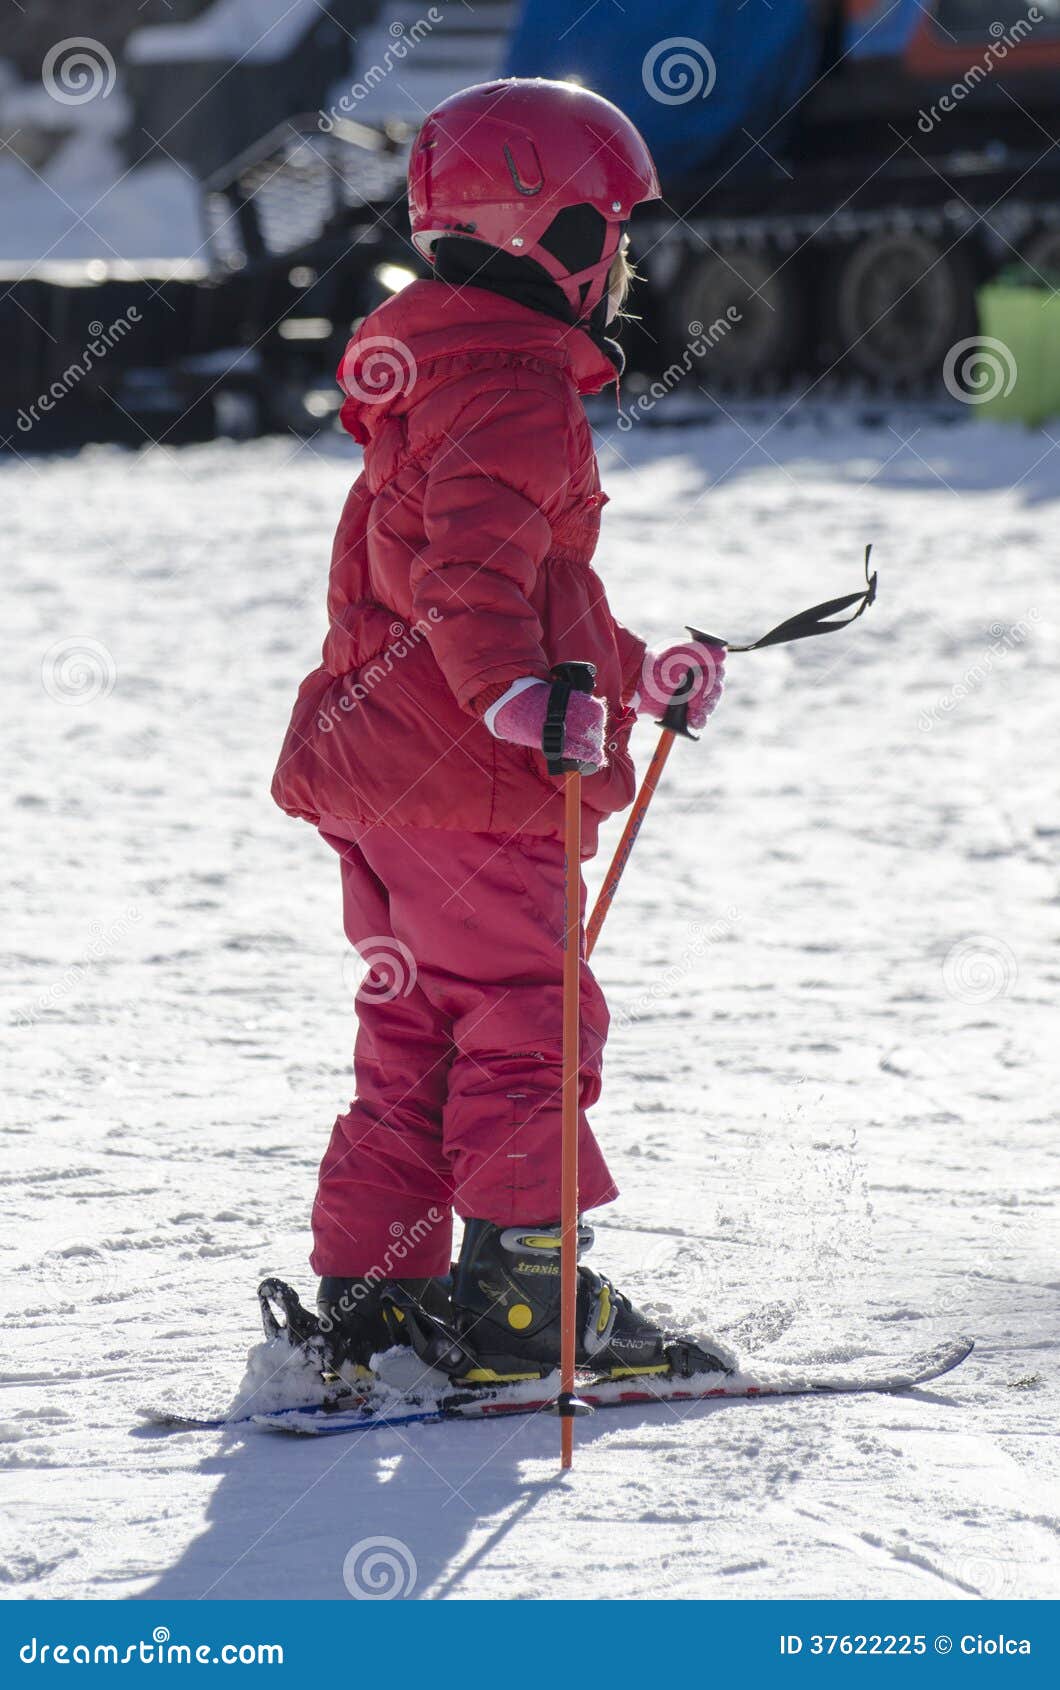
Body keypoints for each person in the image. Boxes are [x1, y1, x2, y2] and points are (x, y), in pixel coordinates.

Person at [270, 78, 726, 1386]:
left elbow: (536, 597)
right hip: (471, 780)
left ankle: (377, 1295)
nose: (627, 259)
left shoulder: (443, 380)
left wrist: (637, 676)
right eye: (614, 230)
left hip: (384, 779)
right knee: (531, 1021)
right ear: (560, 238)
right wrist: (517, 703)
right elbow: (470, 584)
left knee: (416, 1033)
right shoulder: (518, 397)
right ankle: (526, 1302)